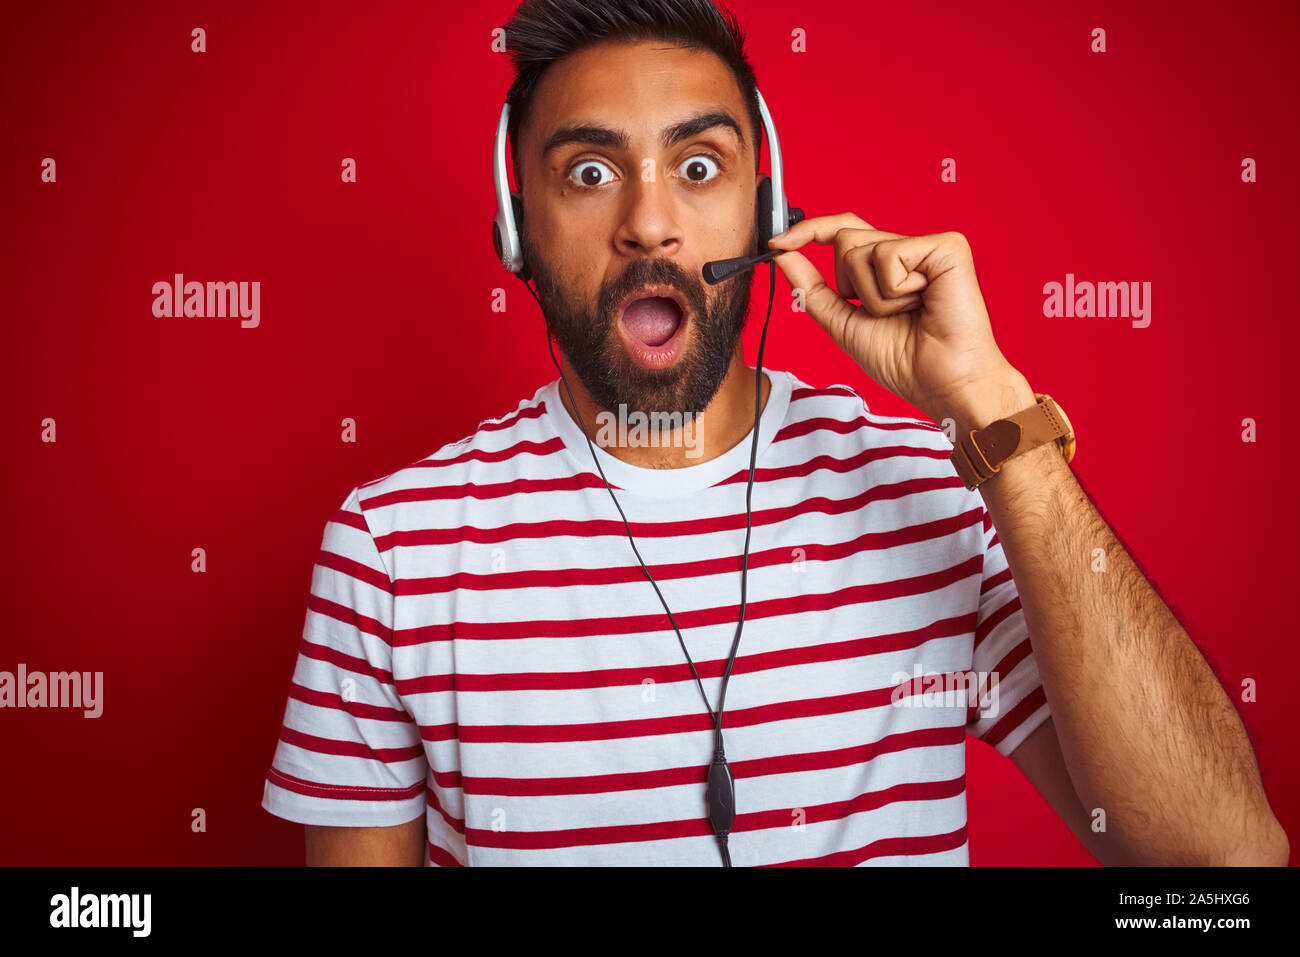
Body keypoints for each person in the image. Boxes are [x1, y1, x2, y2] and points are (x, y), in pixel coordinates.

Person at [261, 0, 1288, 866]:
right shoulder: (393, 550)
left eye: (699, 167)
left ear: (767, 207)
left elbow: (1222, 860)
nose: (651, 223)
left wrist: (988, 405)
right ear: (515, 224)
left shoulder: (929, 485)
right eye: (588, 172)